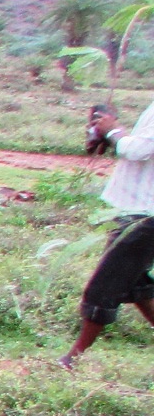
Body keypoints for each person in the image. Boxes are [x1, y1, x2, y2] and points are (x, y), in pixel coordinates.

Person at [61, 100, 154, 368]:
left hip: (145, 211)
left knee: (106, 284)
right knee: (135, 284)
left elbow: (137, 150)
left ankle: (73, 359)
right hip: (136, 205)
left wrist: (113, 132)